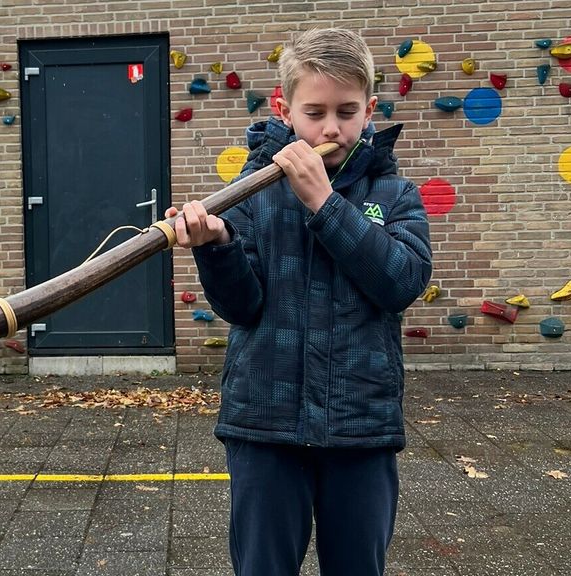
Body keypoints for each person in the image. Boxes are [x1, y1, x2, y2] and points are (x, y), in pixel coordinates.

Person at [165, 28, 432, 576]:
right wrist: (218, 245)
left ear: (369, 111)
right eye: (315, 113)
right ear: (285, 111)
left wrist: (325, 203)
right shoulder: (253, 191)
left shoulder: (395, 194)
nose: (332, 128)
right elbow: (241, 308)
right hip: (264, 423)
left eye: (347, 111)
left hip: (361, 424)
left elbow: (402, 282)